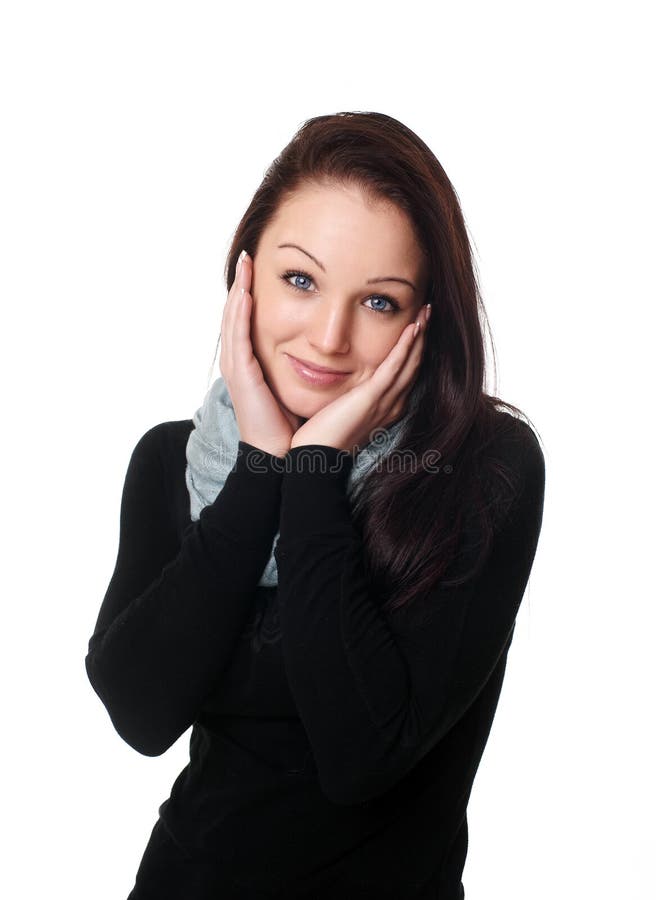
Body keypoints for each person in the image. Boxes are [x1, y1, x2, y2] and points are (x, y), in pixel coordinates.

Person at [85, 111, 546, 899]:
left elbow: (362, 754)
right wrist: (263, 467)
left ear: (425, 321)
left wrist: (315, 471)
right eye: (302, 280)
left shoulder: (480, 470)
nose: (330, 338)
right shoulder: (173, 461)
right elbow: (140, 713)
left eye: (379, 302)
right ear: (246, 275)